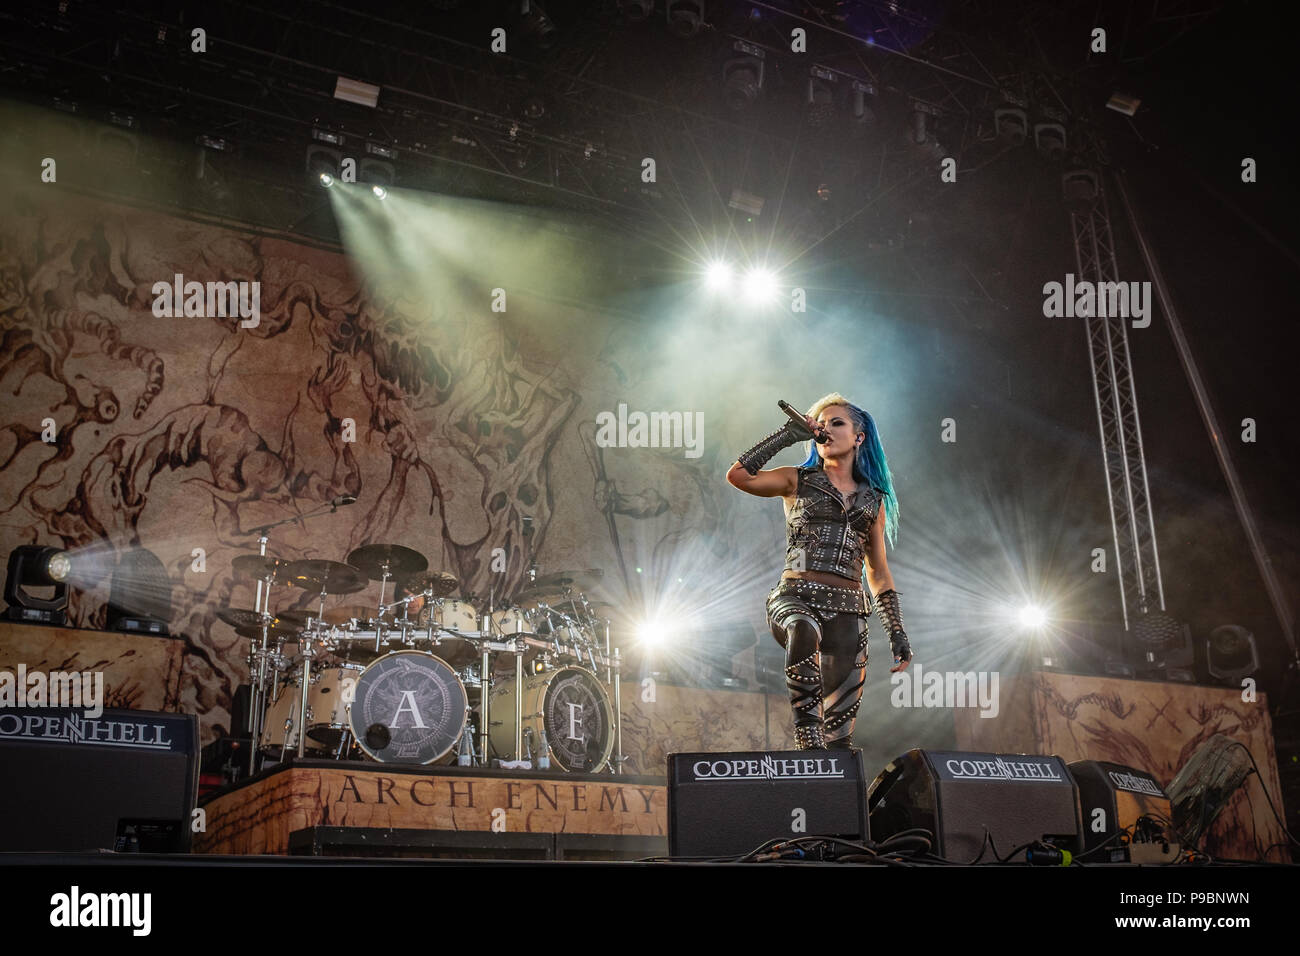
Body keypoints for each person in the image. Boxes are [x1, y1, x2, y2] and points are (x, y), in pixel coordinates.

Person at [726, 394, 912, 750]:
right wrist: (787, 435)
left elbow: (878, 569)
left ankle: (830, 778)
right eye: (820, 423)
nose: (825, 429)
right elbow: (739, 477)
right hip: (794, 597)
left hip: (849, 610)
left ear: (859, 437)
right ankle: (806, 733)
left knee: (840, 742)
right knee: (802, 628)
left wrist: (897, 632)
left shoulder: (875, 499)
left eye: (836, 422)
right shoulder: (797, 480)